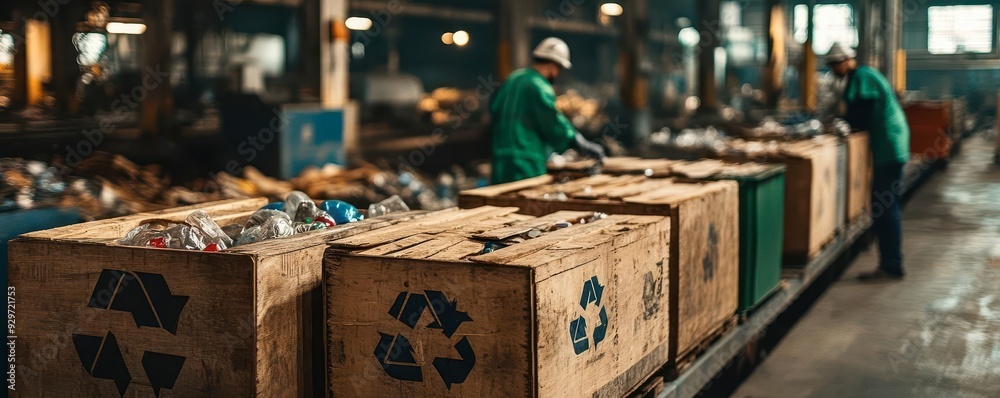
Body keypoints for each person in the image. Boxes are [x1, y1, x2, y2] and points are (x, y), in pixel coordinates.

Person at [826, 42, 910, 281]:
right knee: (884, 203)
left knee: (884, 205)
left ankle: (892, 264)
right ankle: (890, 262)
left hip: (890, 146)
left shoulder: (863, 76)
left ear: (845, 61)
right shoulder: (860, 77)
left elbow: (861, 114)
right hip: (888, 146)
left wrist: (840, 125)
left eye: (835, 65)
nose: (833, 70)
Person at [489, 37, 606, 185]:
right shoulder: (540, 86)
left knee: (500, 204)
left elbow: (494, 110)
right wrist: (579, 142)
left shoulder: (513, 78)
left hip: (500, 160)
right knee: (524, 205)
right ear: (552, 66)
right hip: (526, 162)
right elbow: (552, 122)